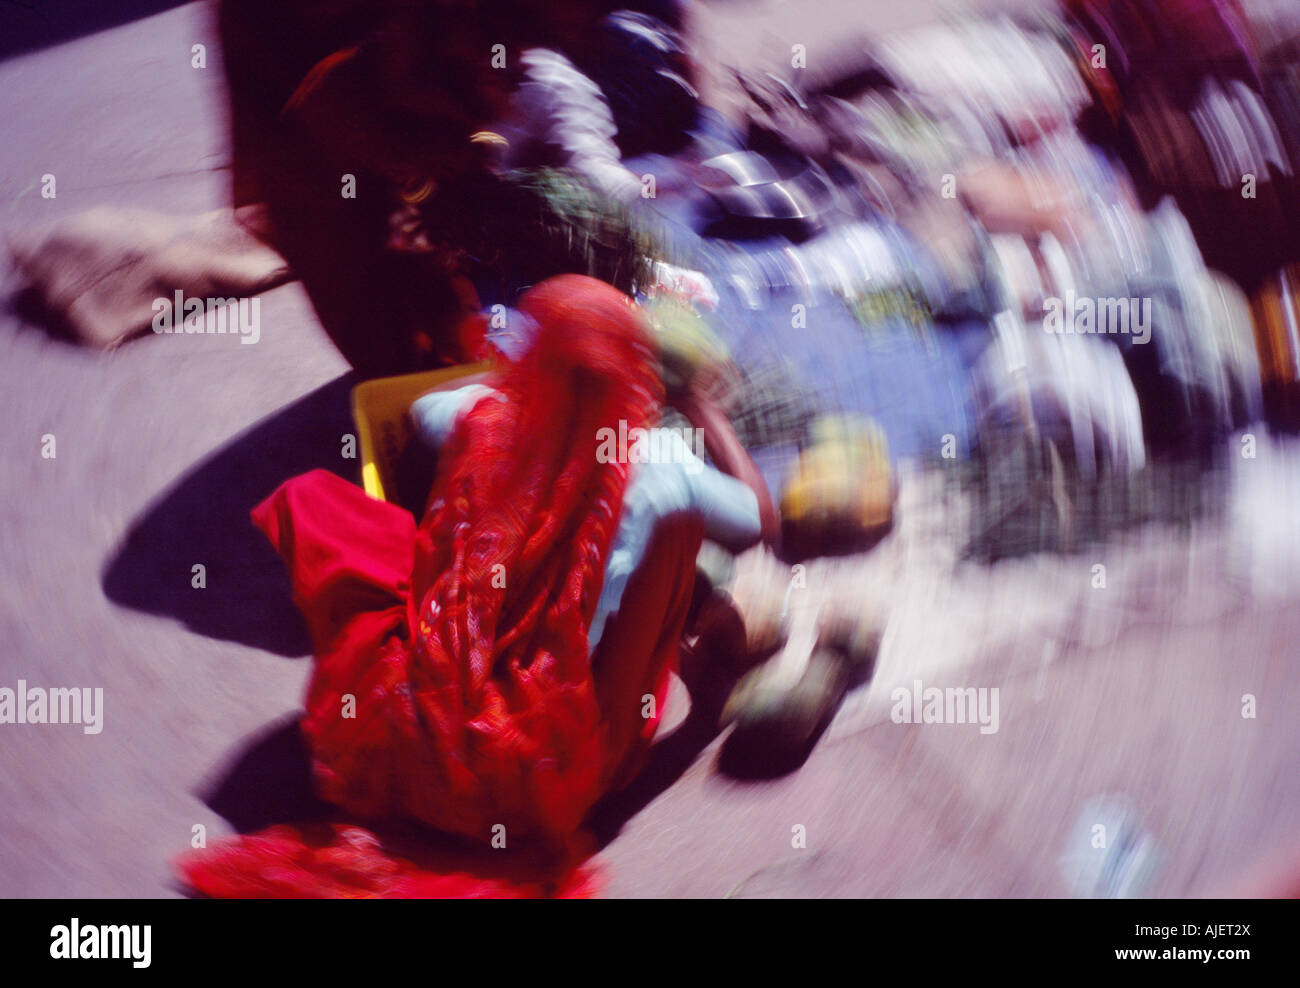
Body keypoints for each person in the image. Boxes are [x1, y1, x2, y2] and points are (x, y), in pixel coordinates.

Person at [178, 275, 776, 897]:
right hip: (535, 774)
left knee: (333, 507)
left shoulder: (476, 414)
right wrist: (704, 409)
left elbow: (419, 410)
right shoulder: (661, 465)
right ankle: (687, 712)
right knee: (675, 534)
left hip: (405, 724)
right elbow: (762, 518)